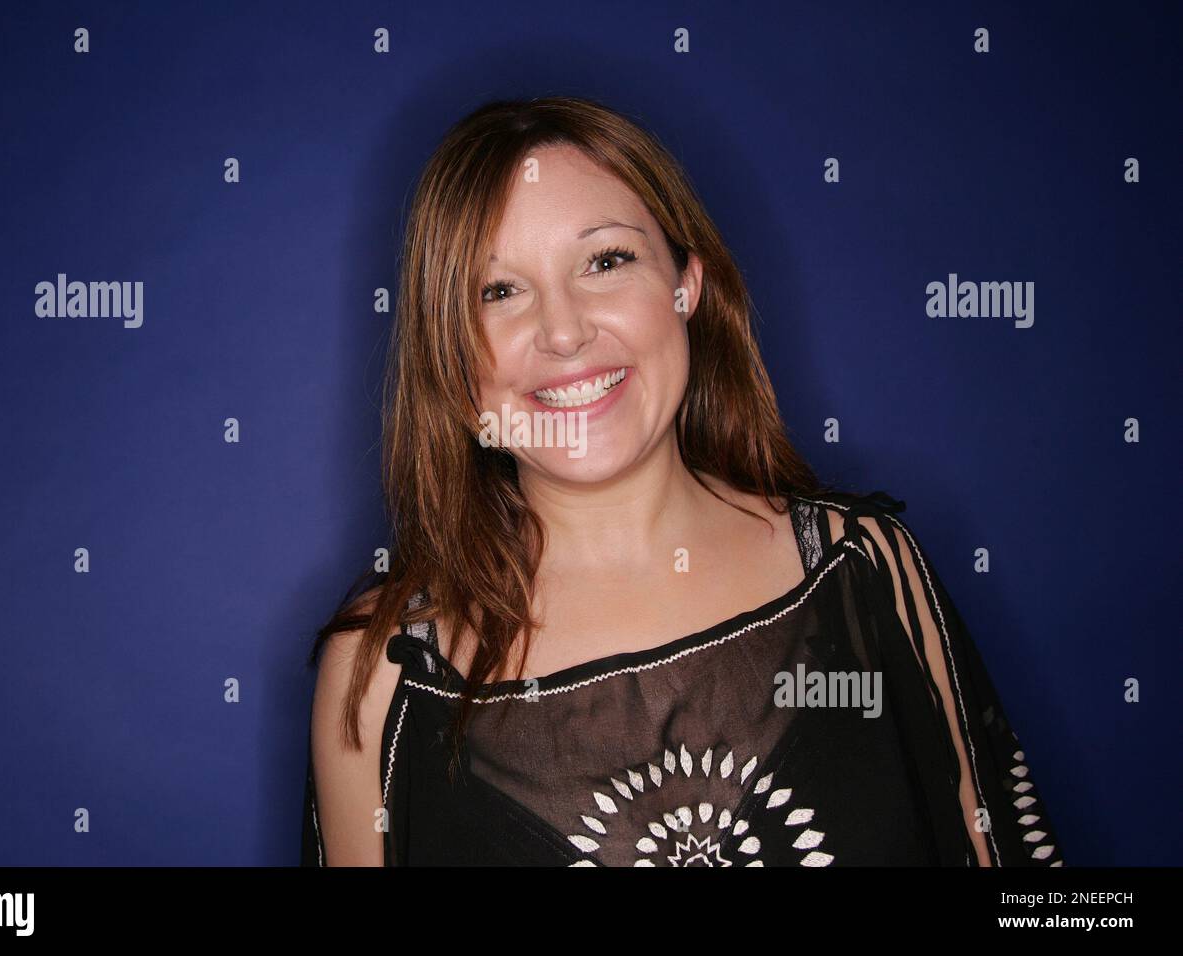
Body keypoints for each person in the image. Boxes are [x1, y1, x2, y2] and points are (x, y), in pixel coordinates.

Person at [302, 95, 1062, 867]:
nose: (563, 331)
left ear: (688, 284)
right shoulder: (385, 675)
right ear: (449, 355)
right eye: (497, 291)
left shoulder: (864, 568)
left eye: (606, 262)